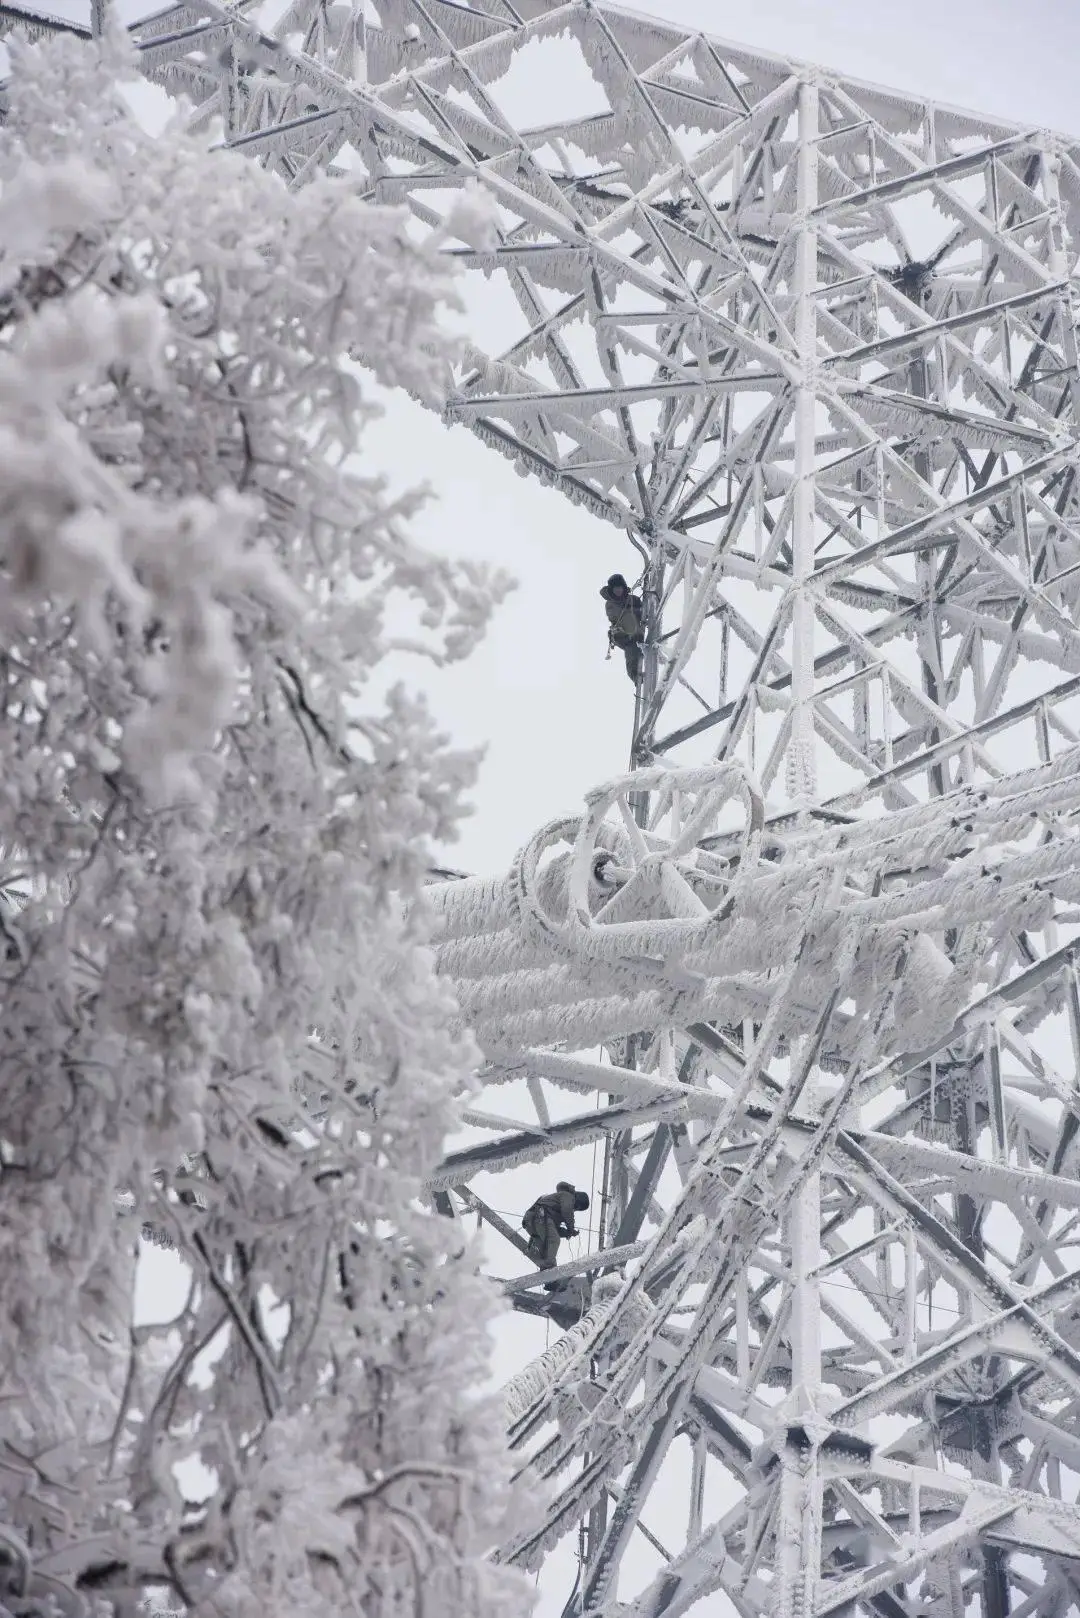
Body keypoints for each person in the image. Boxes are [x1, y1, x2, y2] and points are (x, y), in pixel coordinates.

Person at [522, 1181, 590, 1270]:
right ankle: (549, 1265)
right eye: (577, 1207)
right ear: (578, 1200)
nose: (575, 1209)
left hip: (531, 1222)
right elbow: (567, 1211)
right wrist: (570, 1228)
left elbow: (554, 1230)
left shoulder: (555, 1208)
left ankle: (549, 1276)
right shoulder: (567, 1196)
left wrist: (567, 1233)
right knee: (554, 1240)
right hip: (540, 1216)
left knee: (547, 1249)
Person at [600, 573, 645, 684]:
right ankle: (635, 675)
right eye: (615, 589)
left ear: (623, 587)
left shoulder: (632, 599)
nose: (618, 591)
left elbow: (642, 609)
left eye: (620, 588)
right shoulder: (610, 604)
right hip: (622, 635)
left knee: (636, 647)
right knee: (631, 650)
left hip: (636, 632)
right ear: (612, 590)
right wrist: (636, 611)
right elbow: (616, 615)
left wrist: (643, 612)